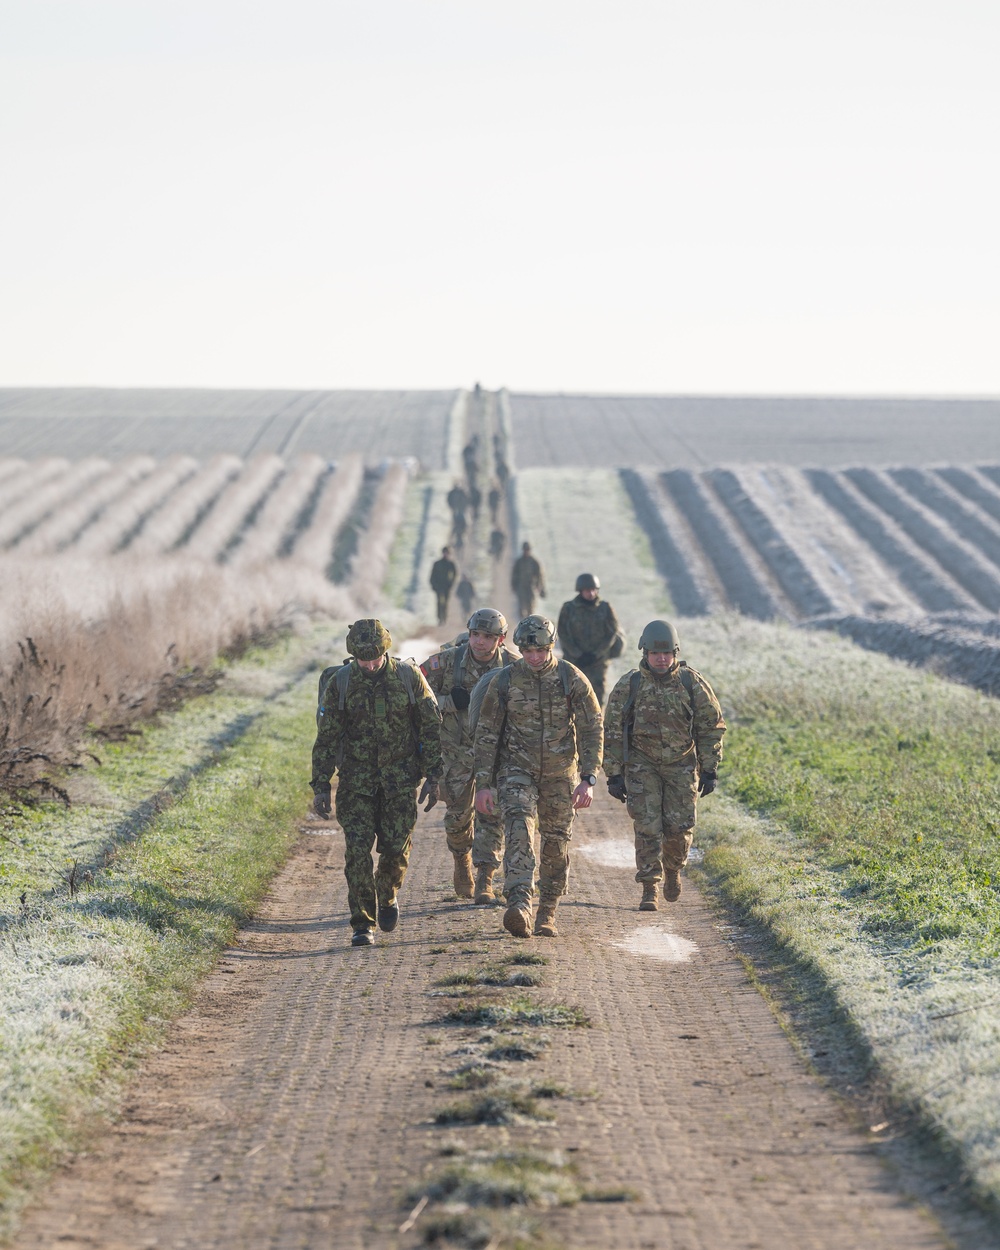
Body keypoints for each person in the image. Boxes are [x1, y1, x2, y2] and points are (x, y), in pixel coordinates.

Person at [311, 619, 443, 946]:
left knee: (396, 849)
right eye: (363, 660)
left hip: (399, 783)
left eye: (375, 659)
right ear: (353, 655)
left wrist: (433, 775)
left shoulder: (408, 678)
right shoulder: (340, 683)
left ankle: (387, 895)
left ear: (386, 651)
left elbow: (430, 726)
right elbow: (327, 738)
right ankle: (362, 924)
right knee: (357, 853)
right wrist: (321, 784)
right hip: (356, 783)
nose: (370, 665)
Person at [473, 615, 603, 938]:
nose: (534, 658)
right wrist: (484, 784)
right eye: (528, 651)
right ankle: (519, 903)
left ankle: (547, 909)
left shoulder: (571, 678)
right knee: (518, 827)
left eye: (540, 651)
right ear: (519, 648)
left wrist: (589, 778)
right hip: (517, 770)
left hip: (561, 775)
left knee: (556, 841)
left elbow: (592, 727)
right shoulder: (504, 681)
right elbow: (487, 733)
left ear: (551, 647)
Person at [603, 620, 726, 910]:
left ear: (675, 653)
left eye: (667, 653)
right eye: (655, 653)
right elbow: (612, 729)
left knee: (678, 829)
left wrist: (709, 769)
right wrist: (614, 774)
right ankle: (649, 888)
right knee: (647, 827)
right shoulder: (630, 684)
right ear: (644, 653)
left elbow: (711, 726)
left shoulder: (691, 683)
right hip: (641, 765)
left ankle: (673, 870)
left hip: (681, 765)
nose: (661, 659)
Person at [420, 608, 516, 901]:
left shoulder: (514, 668)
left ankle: (485, 877)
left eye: (487, 637)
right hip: (457, 752)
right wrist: (448, 701)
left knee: (492, 814)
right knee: (458, 817)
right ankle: (462, 861)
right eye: (475, 635)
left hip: (496, 754)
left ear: (500, 640)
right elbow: (415, 693)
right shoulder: (447, 662)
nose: (479, 642)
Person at [556, 573, 624, 705]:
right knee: (571, 696)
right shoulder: (568, 608)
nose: (591, 593)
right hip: (574, 661)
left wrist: (596, 654)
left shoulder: (605, 608)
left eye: (594, 590)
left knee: (597, 698)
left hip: (598, 662)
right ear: (580, 590)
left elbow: (612, 633)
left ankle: (597, 724)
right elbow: (563, 633)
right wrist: (577, 654)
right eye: (588, 590)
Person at [511, 542, 546, 617]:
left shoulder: (534, 562)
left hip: (531, 587)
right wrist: (514, 586)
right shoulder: (519, 562)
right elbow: (514, 574)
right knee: (521, 608)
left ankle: (530, 623)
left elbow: (539, 575)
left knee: (531, 608)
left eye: (527, 550)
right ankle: (522, 624)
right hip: (521, 587)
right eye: (525, 550)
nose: (526, 551)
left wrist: (541, 588)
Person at [429, 546, 458, 624]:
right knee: (439, 602)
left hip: (446, 586)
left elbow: (455, 574)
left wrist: (451, 583)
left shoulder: (450, 564)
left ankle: (444, 618)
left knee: (445, 603)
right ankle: (439, 618)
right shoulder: (437, 563)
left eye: (447, 553)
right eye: (445, 553)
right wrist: (433, 584)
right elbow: (432, 575)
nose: (446, 554)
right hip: (439, 586)